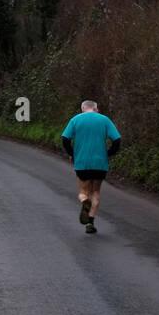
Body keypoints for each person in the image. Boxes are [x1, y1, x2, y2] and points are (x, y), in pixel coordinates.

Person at [61, 100, 121, 235]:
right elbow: (117, 140)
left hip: (82, 162)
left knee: (83, 191)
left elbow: (65, 139)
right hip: (100, 163)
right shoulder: (105, 120)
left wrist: (72, 153)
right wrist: (108, 154)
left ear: (83, 109)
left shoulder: (75, 119)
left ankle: (84, 201)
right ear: (96, 109)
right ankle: (90, 222)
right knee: (96, 192)